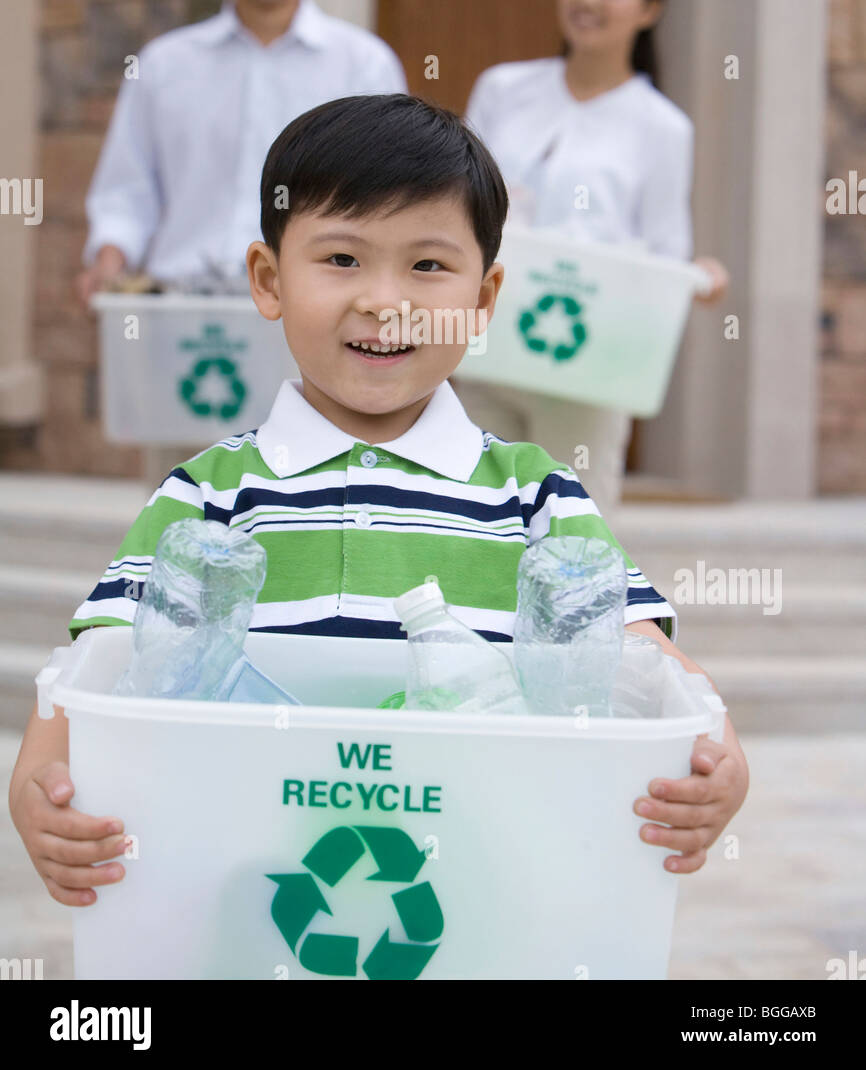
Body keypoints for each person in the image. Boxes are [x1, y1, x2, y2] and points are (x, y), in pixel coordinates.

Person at [11, 94, 748, 909]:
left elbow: (643, 660)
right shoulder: (205, 496)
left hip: (482, 903)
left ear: (485, 299)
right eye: (343, 260)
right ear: (268, 279)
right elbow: (95, 666)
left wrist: (720, 759)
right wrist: (40, 786)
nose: (384, 301)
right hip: (240, 900)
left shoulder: (537, 496)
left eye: (428, 267)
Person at [460, 0, 729, 511]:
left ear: (650, 8)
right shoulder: (505, 90)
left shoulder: (661, 127)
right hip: (489, 344)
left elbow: (664, 249)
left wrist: (699, 276)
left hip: (588, 363)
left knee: (571, 531)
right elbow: (460, 204)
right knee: (474, 514)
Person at [76, 0, 407, 302]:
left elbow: (383, 199)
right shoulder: (164, 65)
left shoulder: (364, 66)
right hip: (176, 308)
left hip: (308, 312)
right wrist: (108, 262)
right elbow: (127, 191)